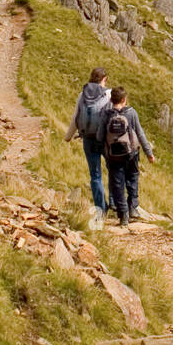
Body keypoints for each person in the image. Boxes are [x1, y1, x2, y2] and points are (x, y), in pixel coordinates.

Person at [98, 87, 154, 227]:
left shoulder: (105, 115)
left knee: (117, 184)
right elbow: (140, 134)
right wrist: (149, 153)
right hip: (132, 153)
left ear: (111, 100)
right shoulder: (131, 113)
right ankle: (133, 207)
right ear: (124, 100)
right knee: (133, 178)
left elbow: (99, 136)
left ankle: (123, 216)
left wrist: (104, 150)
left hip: (113, 156)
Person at [65, 67, 111, 227]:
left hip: (88, 139)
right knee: (113, 169)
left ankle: (101, 210)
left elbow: (75, 117)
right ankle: (115, 203)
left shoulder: (82, 95)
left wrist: (68, 136)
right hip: (105, 140)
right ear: (104, 79)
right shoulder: (108, 94)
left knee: (95, 175)